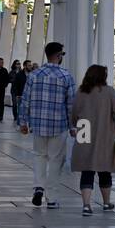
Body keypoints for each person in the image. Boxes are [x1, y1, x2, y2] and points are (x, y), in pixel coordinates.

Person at [69, 64, 115, 216]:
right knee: (104, 170)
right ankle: (106, 202)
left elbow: (74, 114)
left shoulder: (81, 92)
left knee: (87, 170)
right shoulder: (109, 92)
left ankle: (86, 205)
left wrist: (74, 127)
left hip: (84, 133)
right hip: (105, 134)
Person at [19, 42, 76, 209]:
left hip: (38, 124)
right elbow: (71, 104)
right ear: (58, 56)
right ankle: (51, 197)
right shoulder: (66, 76)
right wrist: (73, 127)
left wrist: (23, 122)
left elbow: (25, 100)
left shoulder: (34, 75)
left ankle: (39, 187)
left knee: (39, 156)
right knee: (56, 159)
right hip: (59, 125)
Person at [9, 59, 26, 124]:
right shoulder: (12, 72)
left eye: (19, 63)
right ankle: (15, 116)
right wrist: (14, 80)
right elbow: (9, 79)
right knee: (14, 104)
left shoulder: (22, 72)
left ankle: (19, 116)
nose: (18, 65)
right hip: (14, 90)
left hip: (21, 90)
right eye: (17, 63)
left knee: (20, 105)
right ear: (14, 64)